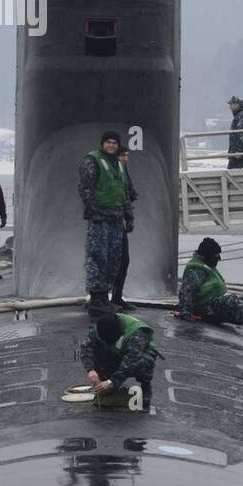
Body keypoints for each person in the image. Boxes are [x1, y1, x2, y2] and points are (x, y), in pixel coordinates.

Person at [78, 130, 133, 314]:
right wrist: (94, 211)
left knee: (113, 259)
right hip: (100, 219)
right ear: (102, 144)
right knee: (97, 257)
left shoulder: (118, 164)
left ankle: (104, 297)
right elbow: (86, 189)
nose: (111, 145)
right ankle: (95, 299)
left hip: (116, 219)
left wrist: (128, 216)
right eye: (108, 142)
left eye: (114, 143)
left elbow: (124, 192)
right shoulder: (92, 161)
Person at [80, 312, 159, 407]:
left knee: (144, 361)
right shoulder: (99, 328)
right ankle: (106, 383)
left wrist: (113, 381)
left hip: (137, 355)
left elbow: (131, 360)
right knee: (98, 350)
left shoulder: (138, 333)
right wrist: (91, 370)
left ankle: (145, 387)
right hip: (114, 352)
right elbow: (86, 348)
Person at [110, 145, 138, 308]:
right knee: (109, 261)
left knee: (123, 260)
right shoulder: (111, 175)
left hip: (120, 222)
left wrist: (129, 219)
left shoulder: (123, 173)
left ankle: (117, 296)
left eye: (127, 156)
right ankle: (101, 298)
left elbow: (126, 198)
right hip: (108, 223)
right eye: (122, 156)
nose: (126, 159)